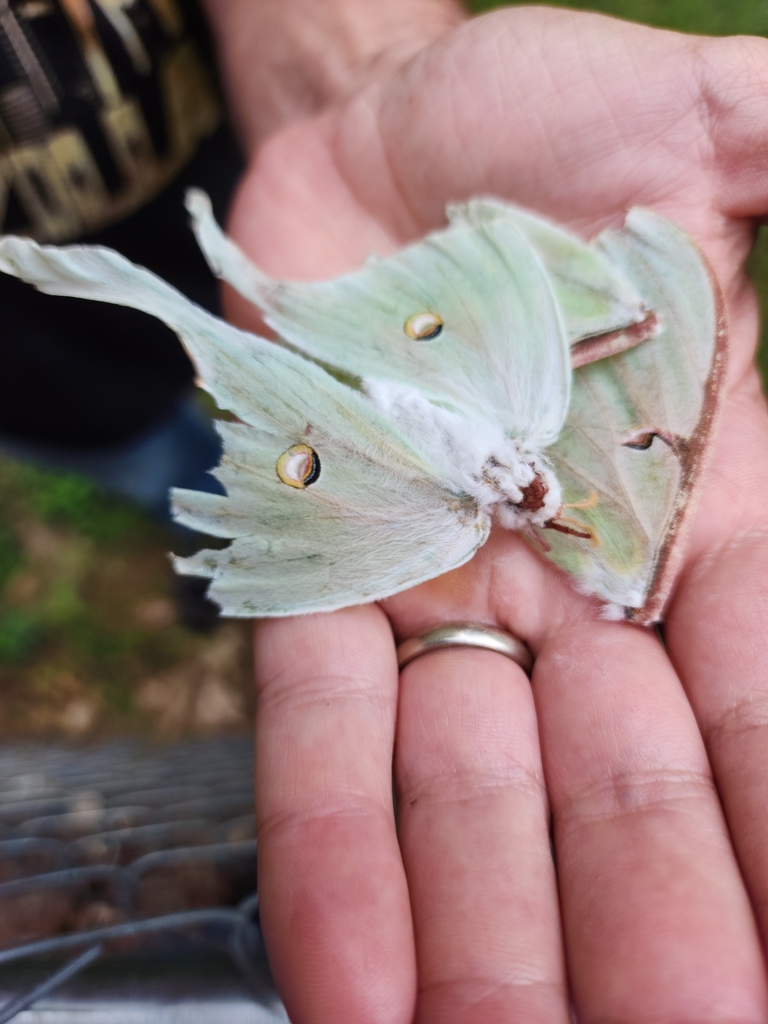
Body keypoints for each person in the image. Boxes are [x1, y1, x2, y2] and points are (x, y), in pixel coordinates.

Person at [6, 0, 768, 1020]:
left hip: (260, 164)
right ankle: (194, 479)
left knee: (215, 400)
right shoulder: (503, 456)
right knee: (155, 445)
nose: (533, 506)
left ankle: (209, 456)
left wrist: (352, 77)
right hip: (45, 374)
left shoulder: (468, 502)